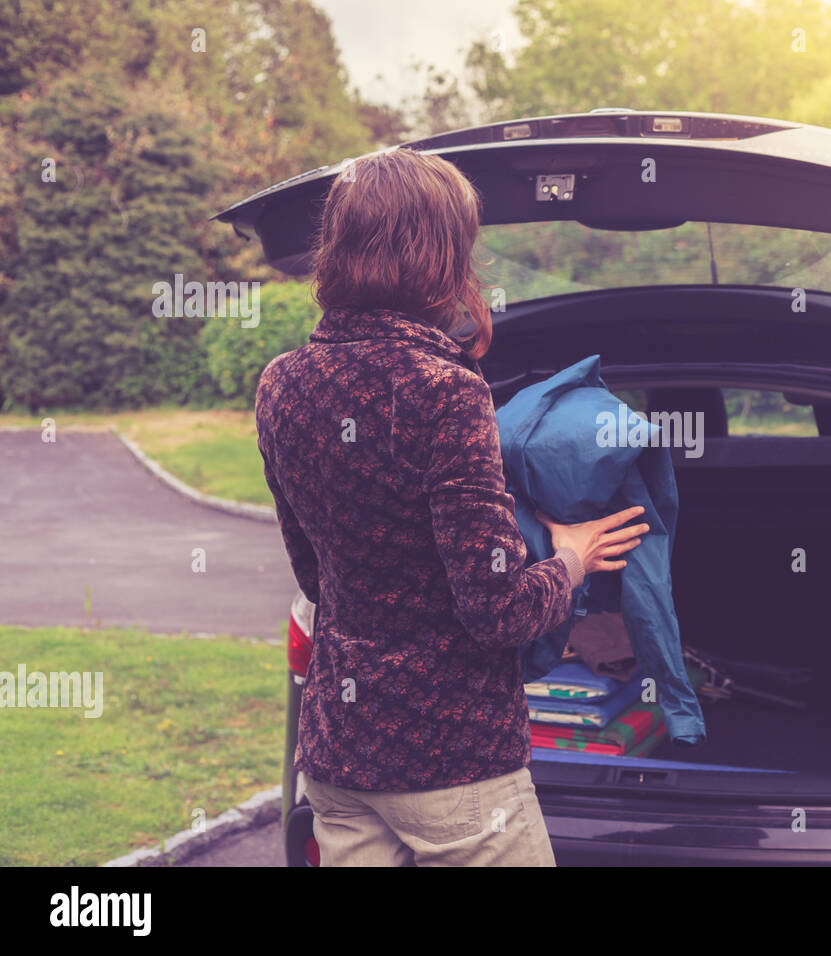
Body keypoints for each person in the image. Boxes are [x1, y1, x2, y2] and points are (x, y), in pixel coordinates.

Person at [254, 148, 649, 866]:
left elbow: (319, 580)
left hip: (339, 757)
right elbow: (497, 610)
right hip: (452, 766)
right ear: (439, 253)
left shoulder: (281, 383)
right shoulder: (445, 390)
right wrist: (570, 557)